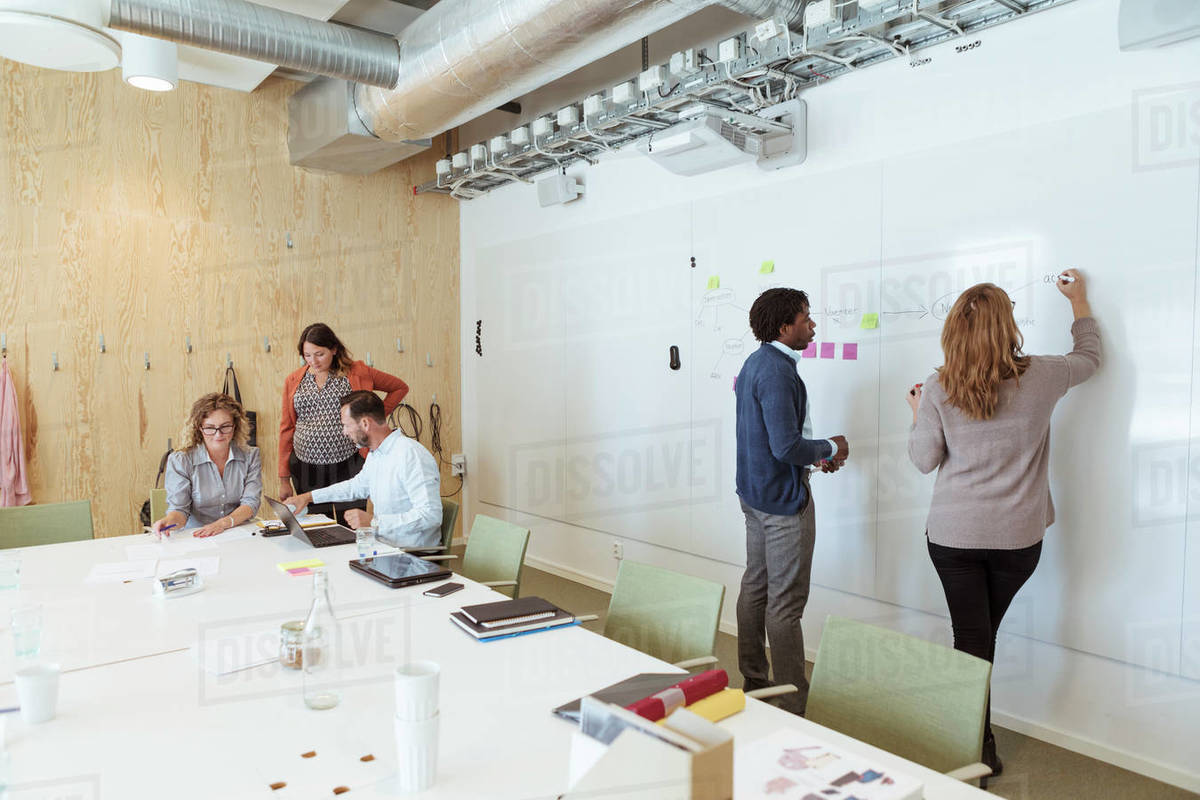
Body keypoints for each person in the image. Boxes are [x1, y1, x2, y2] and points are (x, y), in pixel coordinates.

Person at [906, 269, 1099, 776]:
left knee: (972, 639)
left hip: (952, 538)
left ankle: (974, 745)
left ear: (954, 331)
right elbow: (1091, 358)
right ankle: (976, 743)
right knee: (979, 638)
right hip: (1017, 541)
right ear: (1008, 326)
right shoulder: (1044, 374)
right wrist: (1078, 301)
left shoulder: (937, 386)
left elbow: (924, 460)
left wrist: (916, 412)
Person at [734, 287, 850, 715]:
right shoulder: (779, 372)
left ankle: (754, 681)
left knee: (755, 588)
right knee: (784, 605)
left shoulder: (755, 364)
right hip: (782, 504)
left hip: (755, 495)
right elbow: (785, 447)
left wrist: (813, 456)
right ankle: (790, 705)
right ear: (785, 326)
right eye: (806, 318)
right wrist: (830, 449)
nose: (813, 325)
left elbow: (772, 442)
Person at [279, 323, 409, 526]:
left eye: (319, 354)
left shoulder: (357, 372)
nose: (313, 361)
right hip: (306, 466)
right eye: (307, 355)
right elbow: (286, 429)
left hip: (348, 464)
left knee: (351, 524)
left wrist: (373, 418)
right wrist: (283, 478)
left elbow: (399, 387)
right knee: (317, 525)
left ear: (333, 349)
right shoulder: (294, 380)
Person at [287, 391, 441, 548]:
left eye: (347, 425)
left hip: (412, 556)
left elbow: (431, 516)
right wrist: (308, 497)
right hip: (384, 547)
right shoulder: (377, 454)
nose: (344, 432)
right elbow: (355, 487)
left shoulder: (411, 454)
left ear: (365, 424)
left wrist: (374, 522)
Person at [152, 393, 263, 538]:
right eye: (210, 428)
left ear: (235, 426)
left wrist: (222, 524)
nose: (218, 435)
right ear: (199, 428)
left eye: (225, 426)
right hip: (197, 535)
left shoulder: (250, 456)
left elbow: (251, 503)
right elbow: (179, 510)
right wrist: (168, 521)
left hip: (236, 533)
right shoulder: (181, 460)